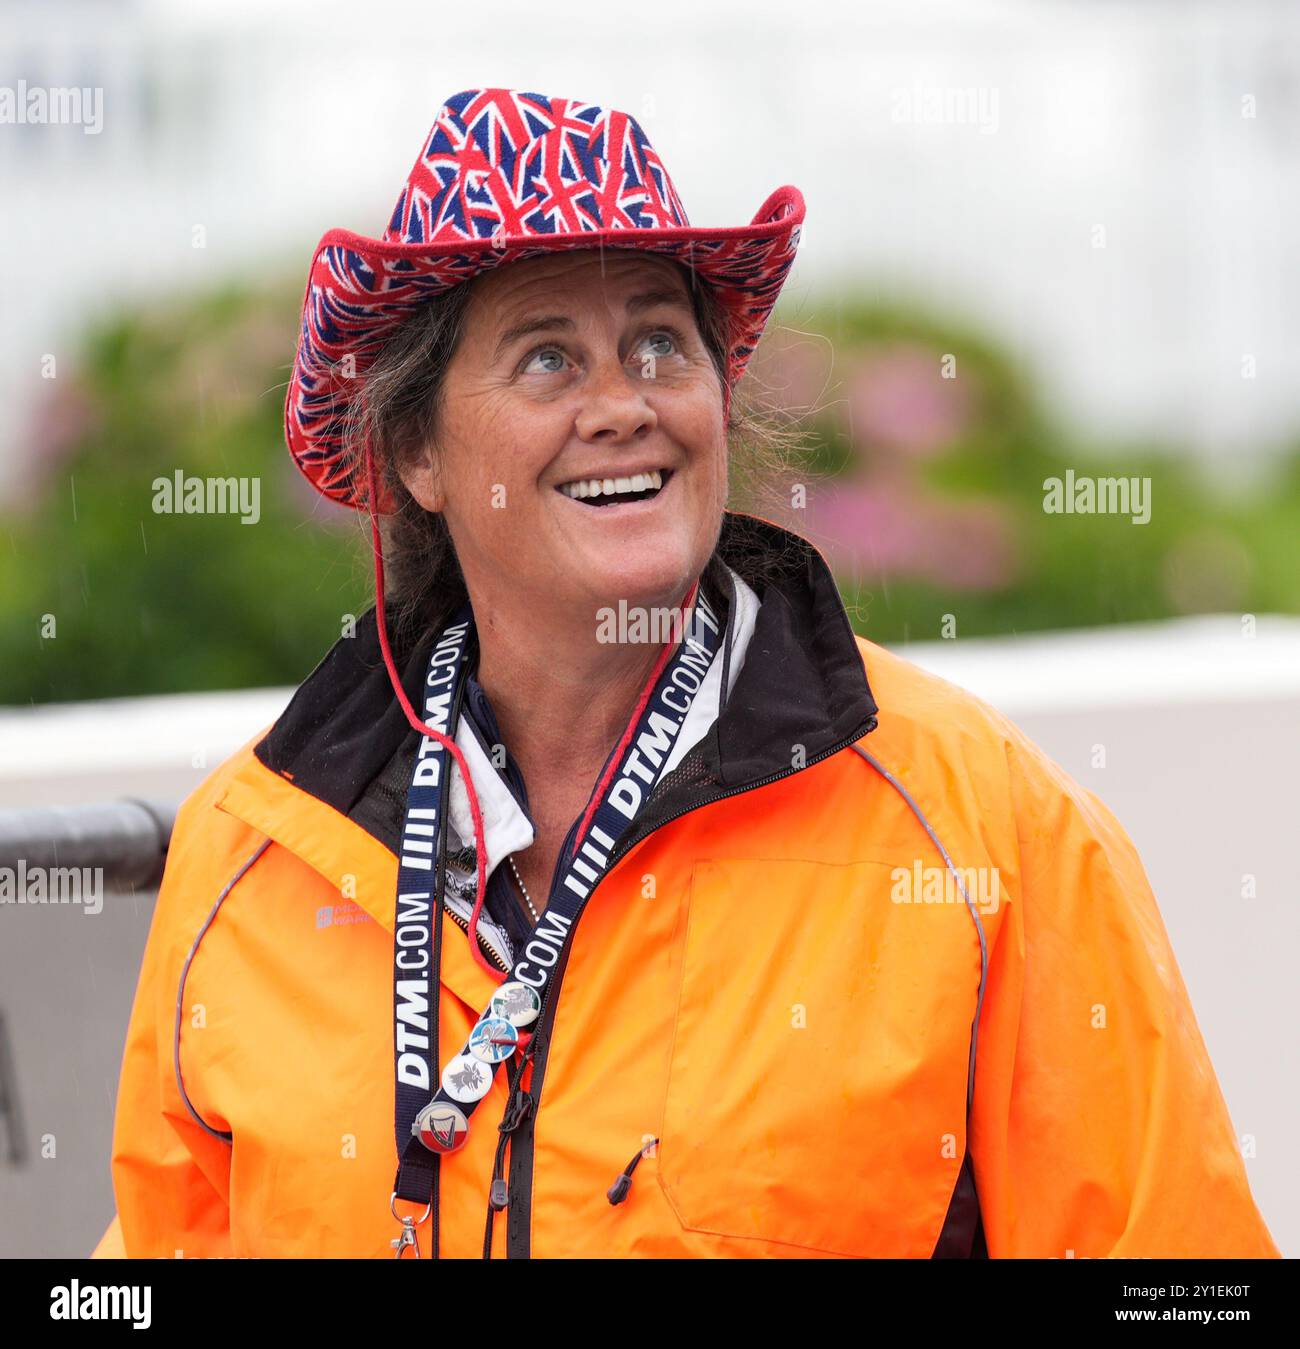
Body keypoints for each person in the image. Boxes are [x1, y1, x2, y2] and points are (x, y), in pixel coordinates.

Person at [91, 87, 1278, 1259]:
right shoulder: (248, 847)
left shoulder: (984, 824)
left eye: (660, 343)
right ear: (417, 452)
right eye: (547, 359)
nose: (623, 407)